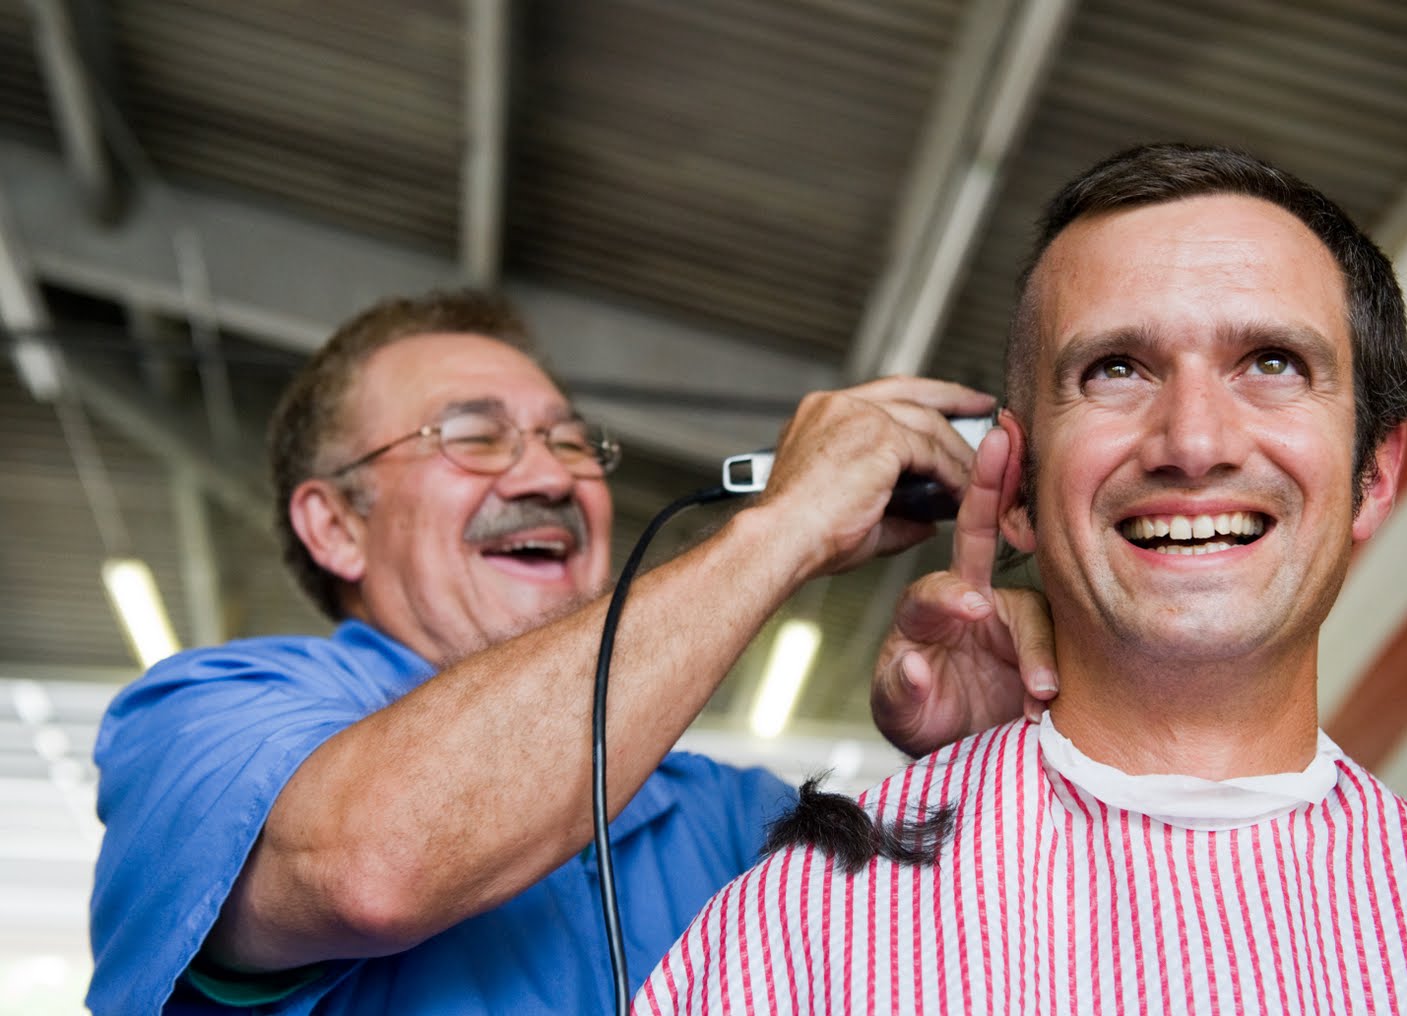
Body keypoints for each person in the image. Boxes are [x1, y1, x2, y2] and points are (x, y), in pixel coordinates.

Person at [634, 143, 1407, 1015]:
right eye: (1116, 370)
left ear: (1373, 476)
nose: (1194, 441)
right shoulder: (802, 939)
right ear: (1014, 487)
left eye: (1270, 362)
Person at [87, 289, 1056, 1014]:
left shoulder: (724, 815)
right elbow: (372, 866)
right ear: (335, 523)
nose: (550, 471)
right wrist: (781, 529)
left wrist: (1002, 768)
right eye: (472, 435)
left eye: (570, 440)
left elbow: (998, 968)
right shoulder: (201, 715)